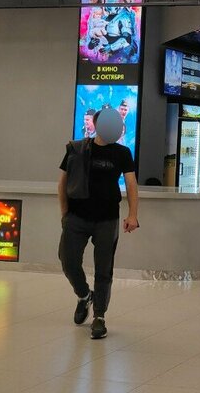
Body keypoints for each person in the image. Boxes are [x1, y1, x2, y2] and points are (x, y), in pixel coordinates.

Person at [58, 108, 140, 340]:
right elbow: (62, 182)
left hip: (107, 219)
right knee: (68, 261)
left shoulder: (122, 152)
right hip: (77, 216)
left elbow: (131, 184)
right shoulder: (76, 149)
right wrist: (65, 214)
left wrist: (133, 215)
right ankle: (85, 295)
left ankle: (99, 317)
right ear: (96, 124)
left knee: (104, 269)